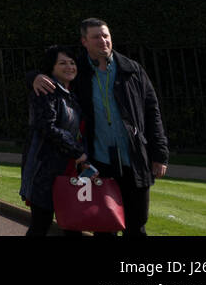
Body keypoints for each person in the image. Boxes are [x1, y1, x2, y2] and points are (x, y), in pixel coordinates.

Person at [31, 19, 168, 236]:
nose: (103, 40)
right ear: (84, 41)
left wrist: (159, 154)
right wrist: (34, 77)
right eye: (96, 37)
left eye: (106, 35)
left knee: (137, 226)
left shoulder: (133, 70)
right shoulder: (78, 72)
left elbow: (152, 112)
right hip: (98, 162)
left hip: (133, 159)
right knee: (103, 227)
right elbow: (53, 73)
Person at [20, 46, 86, 236]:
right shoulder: (46, 90)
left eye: (72, 63)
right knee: (41, 224)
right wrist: (77, 151)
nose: (69, 67)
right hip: (45, 169)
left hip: (68, 167)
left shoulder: (72, 94)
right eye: (62, 63)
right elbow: (47, 128)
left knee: (72, 225)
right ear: (51, 68)